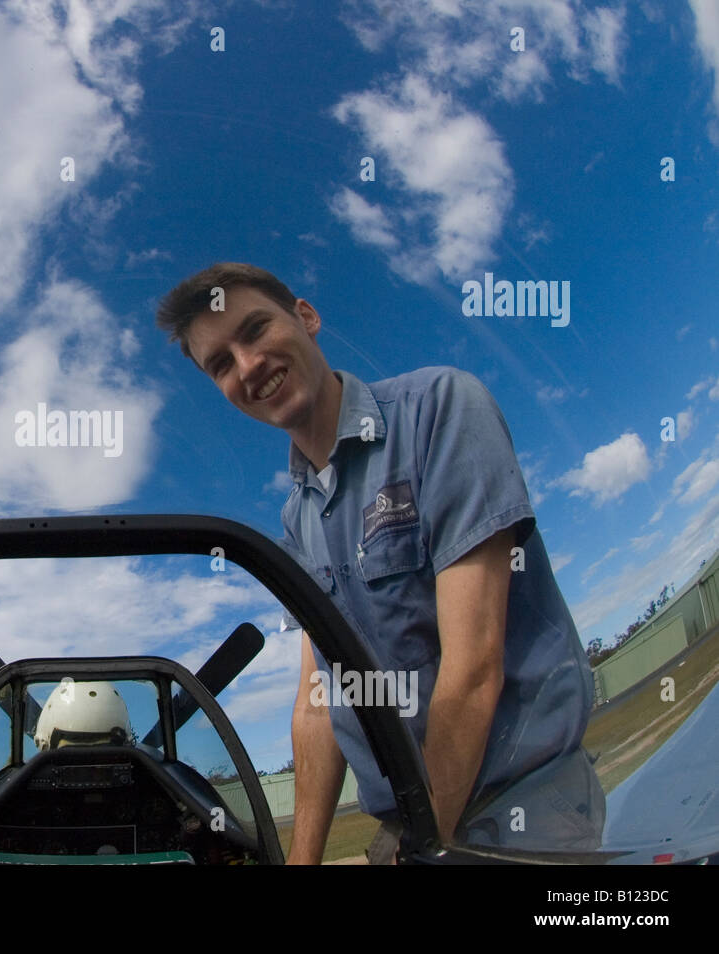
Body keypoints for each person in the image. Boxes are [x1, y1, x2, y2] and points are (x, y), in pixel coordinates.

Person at [156, 263, 604, 864]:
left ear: (307, 317)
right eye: (220, 364)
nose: (248, 365)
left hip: (519, 814)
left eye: (256, 329)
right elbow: (319, 701)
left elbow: (473, 666)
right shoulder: (297, 520)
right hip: (405, 829)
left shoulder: (438, 410)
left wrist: (427, 845)